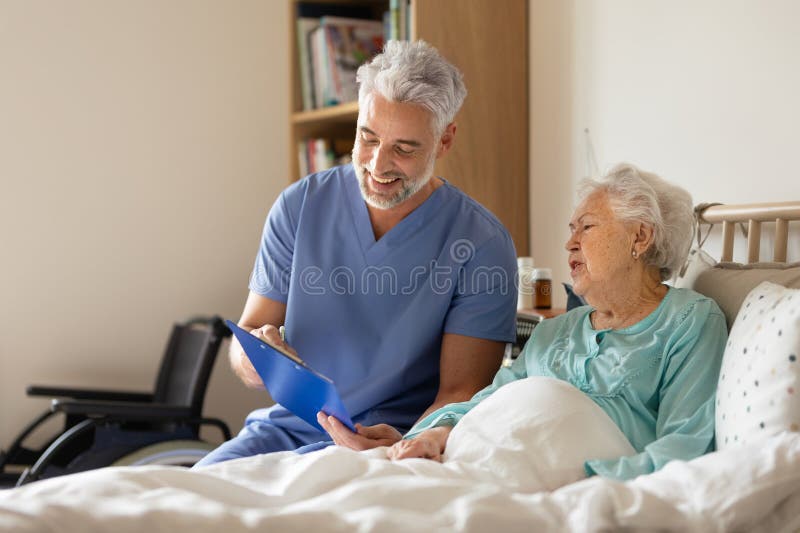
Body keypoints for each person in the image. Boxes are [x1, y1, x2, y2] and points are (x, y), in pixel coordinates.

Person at [195, 40, 518, 466]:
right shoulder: (299, 206)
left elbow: (459, 395)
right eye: (368, 138)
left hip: (393, 439)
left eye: (404, 148)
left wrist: (404, 445)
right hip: (286, 430)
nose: (378, 164)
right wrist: (257, 359)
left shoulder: (482, 244)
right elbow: (250, 337)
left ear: (445, 140)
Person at [384, 163, 728, 480]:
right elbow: (487, 401)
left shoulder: (689, 321)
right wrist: (434, 435)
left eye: (587, 227)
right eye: (571, 230)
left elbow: (685, 445)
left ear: (640, 236)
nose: (569, 243)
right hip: (482, 459)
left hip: (564, 484)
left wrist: (582, 487)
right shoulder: (555, 329)